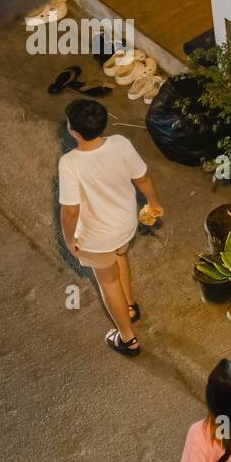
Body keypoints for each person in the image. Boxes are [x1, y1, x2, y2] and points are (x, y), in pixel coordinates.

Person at [57, 99, 163, 356]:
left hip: (97, 235)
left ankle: (128, 338)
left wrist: (70, 239)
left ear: (74, 131)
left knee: (108, 281)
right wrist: (154, 202)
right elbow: (143, 177)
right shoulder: (120, 143)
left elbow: (71, 211)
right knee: (120, 254)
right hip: (125, 223)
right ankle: (129, 306)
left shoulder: (70, 163)